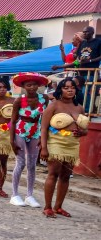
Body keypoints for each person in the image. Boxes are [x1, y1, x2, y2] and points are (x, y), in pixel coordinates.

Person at [40, 78, 88, 218]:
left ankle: (58, 207)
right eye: (66, 87)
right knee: (53, 173)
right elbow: (43, 128)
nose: (70, 90)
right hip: (55, 142)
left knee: (66, 176)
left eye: (72, 87)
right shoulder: (54, 105)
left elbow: (85, 129)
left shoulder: (79, 107)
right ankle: (47, 207)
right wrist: (44, 148)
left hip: (72, 144)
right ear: (60, 89)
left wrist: (82, 132)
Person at [9, 73, 48, 208]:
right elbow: (13, 121)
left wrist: (43, 139)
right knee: (20, 163)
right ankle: (14, 195)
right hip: (20, 130)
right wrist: (11, 140)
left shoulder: (44, 99)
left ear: (38, 86)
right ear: (23, 86)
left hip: (36, 131)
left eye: (34, 84)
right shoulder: (19, 100)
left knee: (32, 165)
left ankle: (29, 195)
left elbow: (45, 119)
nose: (32, 87)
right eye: (28, 85)